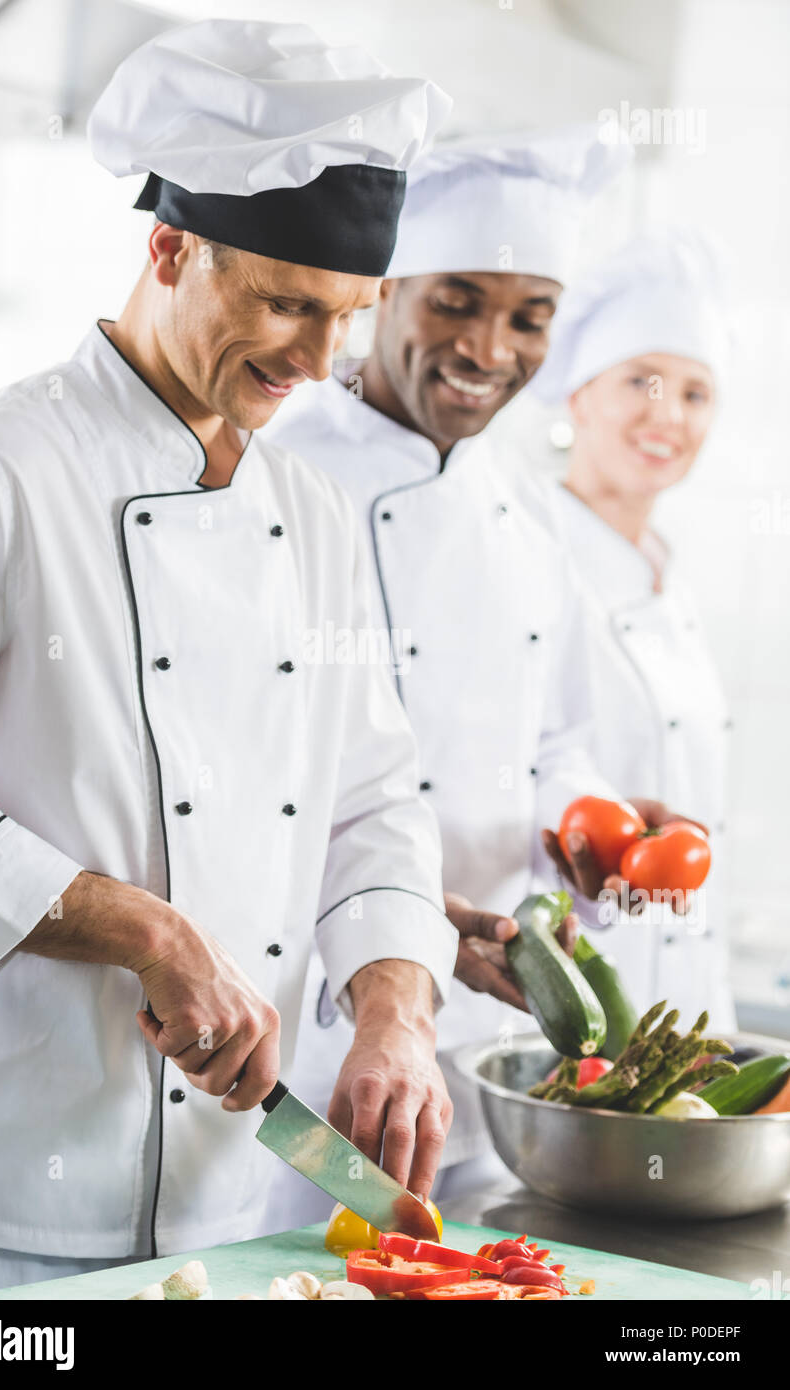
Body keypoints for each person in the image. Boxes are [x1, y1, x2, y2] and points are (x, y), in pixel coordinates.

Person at [0, 19, 465, 1294]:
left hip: (248, 1201)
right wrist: (144, 928)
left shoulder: (316, 516)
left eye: (349, 317)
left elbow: (376, 800)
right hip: (15, 1205)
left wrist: (395, 1006)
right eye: (283, 302)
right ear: (167, 245)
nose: (317, 365)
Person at [262, 131, 664, 1225]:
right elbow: (258, 772)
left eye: (530, 316)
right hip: (310, 1021)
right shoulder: (275, 473)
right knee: (309, 1265)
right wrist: (399, 937)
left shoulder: (529, 510)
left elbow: (557, 739)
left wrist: (592, 833)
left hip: (493, 1019)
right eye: (458, 301)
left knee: (466, 1261)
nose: (489, 346)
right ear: (386, 291)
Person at [529, 230, 737, 1030]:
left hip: (682, 1007)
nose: (667, 415)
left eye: (694, 393)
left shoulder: (671, 581)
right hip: (570, 1002)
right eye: (640, 381)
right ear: (579, 394)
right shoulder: (531, 551)